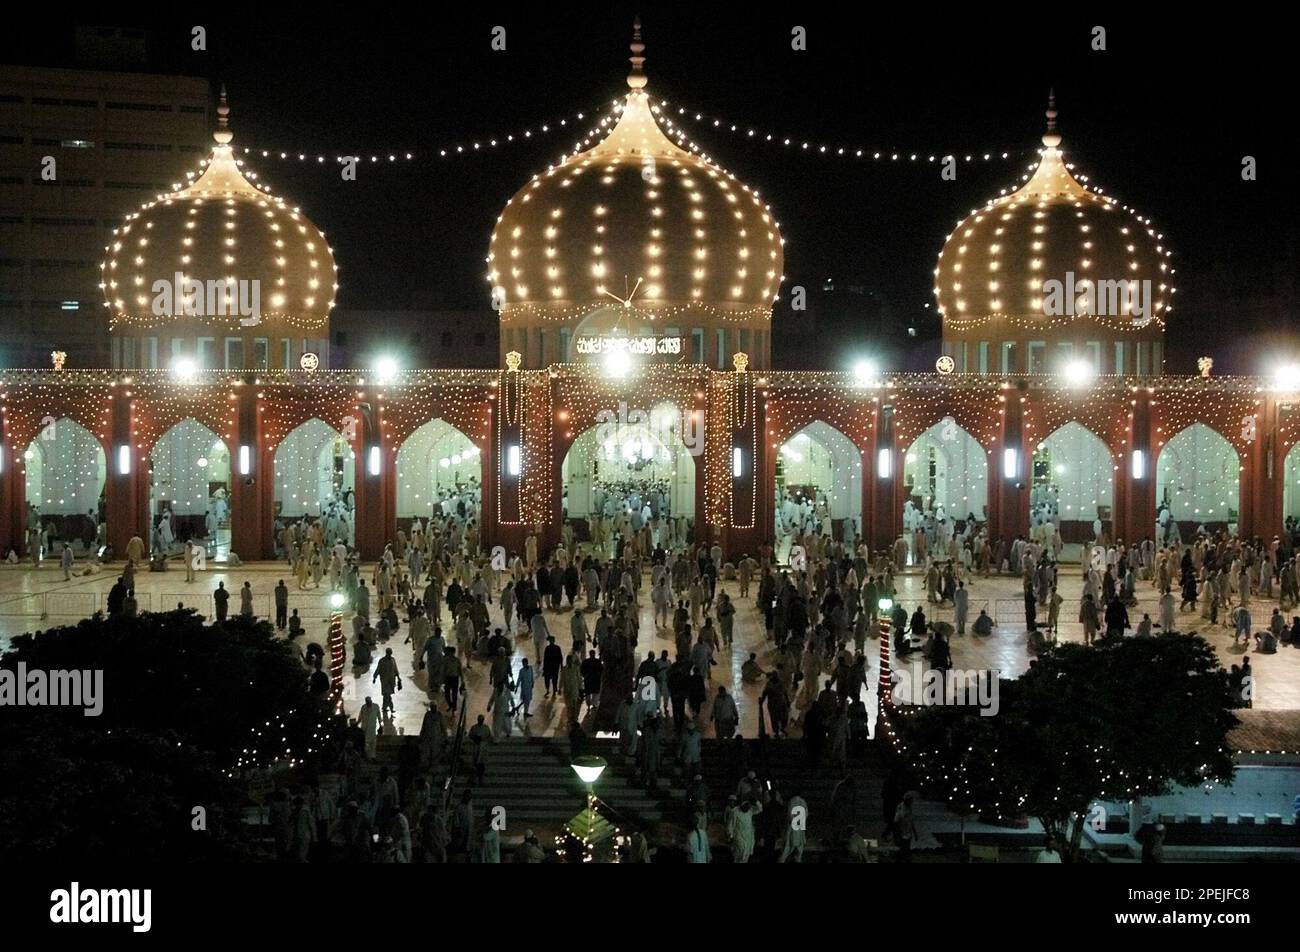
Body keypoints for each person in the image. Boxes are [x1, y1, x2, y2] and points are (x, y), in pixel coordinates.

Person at [373, 647, 402, 714]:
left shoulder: (393, 660)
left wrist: (398, 677)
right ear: (387, 653)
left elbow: (395, 669)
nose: (390, 654)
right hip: (385, 681)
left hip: (391, 680)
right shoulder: (382, 661)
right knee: (388, 695)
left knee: (386, 695)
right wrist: (374, 677)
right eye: (389, 652)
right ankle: (391, 708)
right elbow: (378, 669)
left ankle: (384, 707)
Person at [893, 792, 917, 862]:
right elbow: (896, 822)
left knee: (905, 850)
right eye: (910, 801)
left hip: (908, 832)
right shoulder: (900, 809)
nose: (911, 802)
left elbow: (910, 820)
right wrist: (897, 834)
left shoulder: (909, 808)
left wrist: (915, 832)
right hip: (902, 833)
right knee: (904, 850)